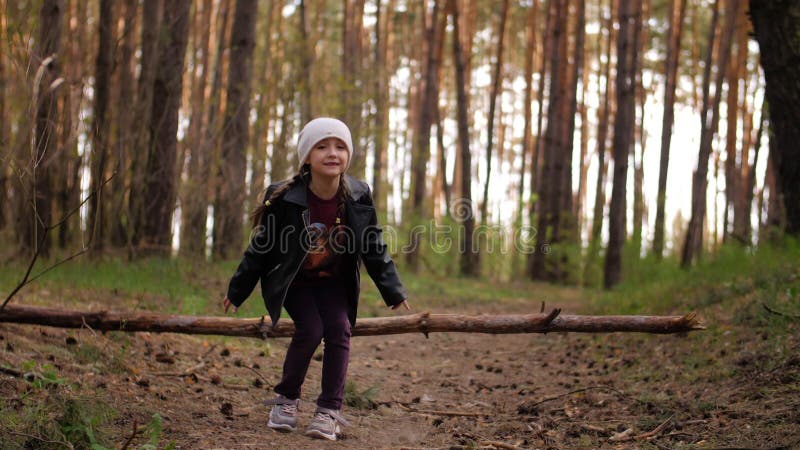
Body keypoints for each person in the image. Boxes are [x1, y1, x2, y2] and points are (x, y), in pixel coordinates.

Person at [222, 117, 410, 441]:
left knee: (339, 329)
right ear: (307, 156)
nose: (332, 153)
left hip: (334, 282)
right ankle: (286, 399)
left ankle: (328, 411)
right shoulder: (286, 198)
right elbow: (260, 247)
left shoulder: (358, 194)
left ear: (348, 155)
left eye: (340, 146)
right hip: (294, 280)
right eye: (321, 146)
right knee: (311, 329)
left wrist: (392, 290)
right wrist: (237, 290)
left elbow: (373, 245)